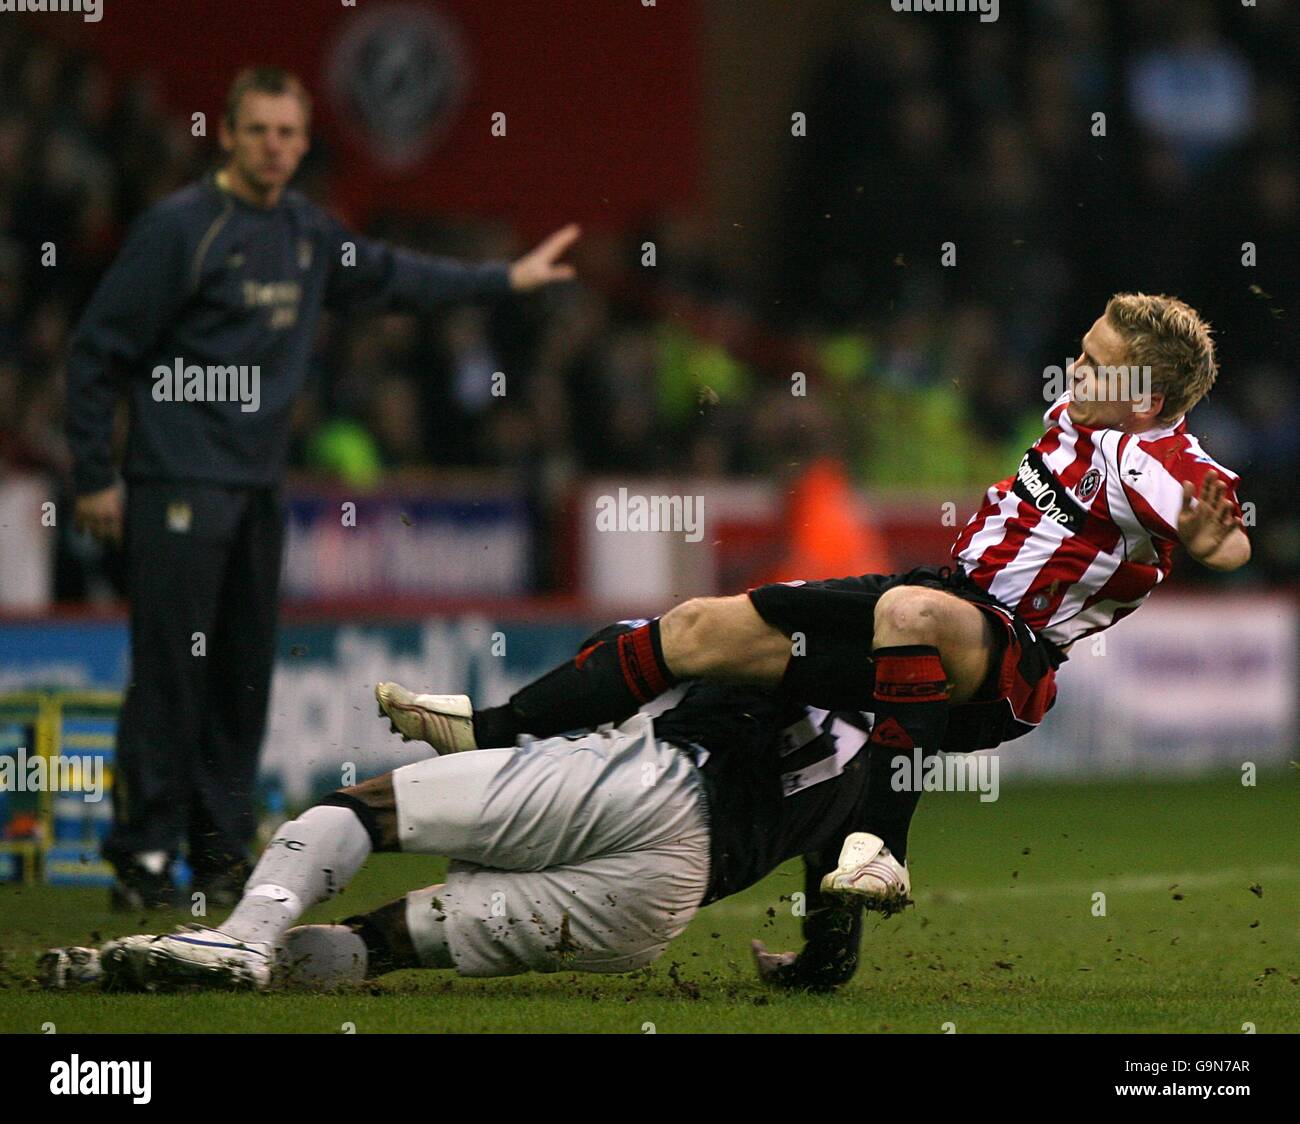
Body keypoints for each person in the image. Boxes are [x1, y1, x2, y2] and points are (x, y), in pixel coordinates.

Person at [377, 293, 1250, 906]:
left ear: (1152, 399)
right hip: (942, 604)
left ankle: (885, 853)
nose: (1076, 371)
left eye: (1097, 366)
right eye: (1084, 350)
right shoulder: (1084, 415)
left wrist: (1218, 540)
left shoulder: (1155, 460)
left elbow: (1215, 522)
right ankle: (484, 731)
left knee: (907, 617)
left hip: (1005, 654)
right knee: (697, 630)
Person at [65, 66, 580, 910]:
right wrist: (93, 473)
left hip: (257, 489)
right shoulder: (180, 230)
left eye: (288, 133)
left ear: (304, 143)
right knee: (170, 675)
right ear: (227, 134)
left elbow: (399, 279)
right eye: (259, 130)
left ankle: (219, 855)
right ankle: (144, 857)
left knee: (240, 677)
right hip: (178, 480)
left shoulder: (308, 234)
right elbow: (97, 350)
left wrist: (504, 280)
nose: (274, 146)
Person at [45, 624, 874, 993]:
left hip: (656, 787)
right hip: (661, 907)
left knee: (370, 807)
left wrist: (515, 719)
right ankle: (188, 969)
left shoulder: (781, 643)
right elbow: (837, 937)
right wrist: (801, 972)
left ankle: (238, 941)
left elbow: (630, 654)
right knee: (383, 944)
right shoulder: (872, 773)